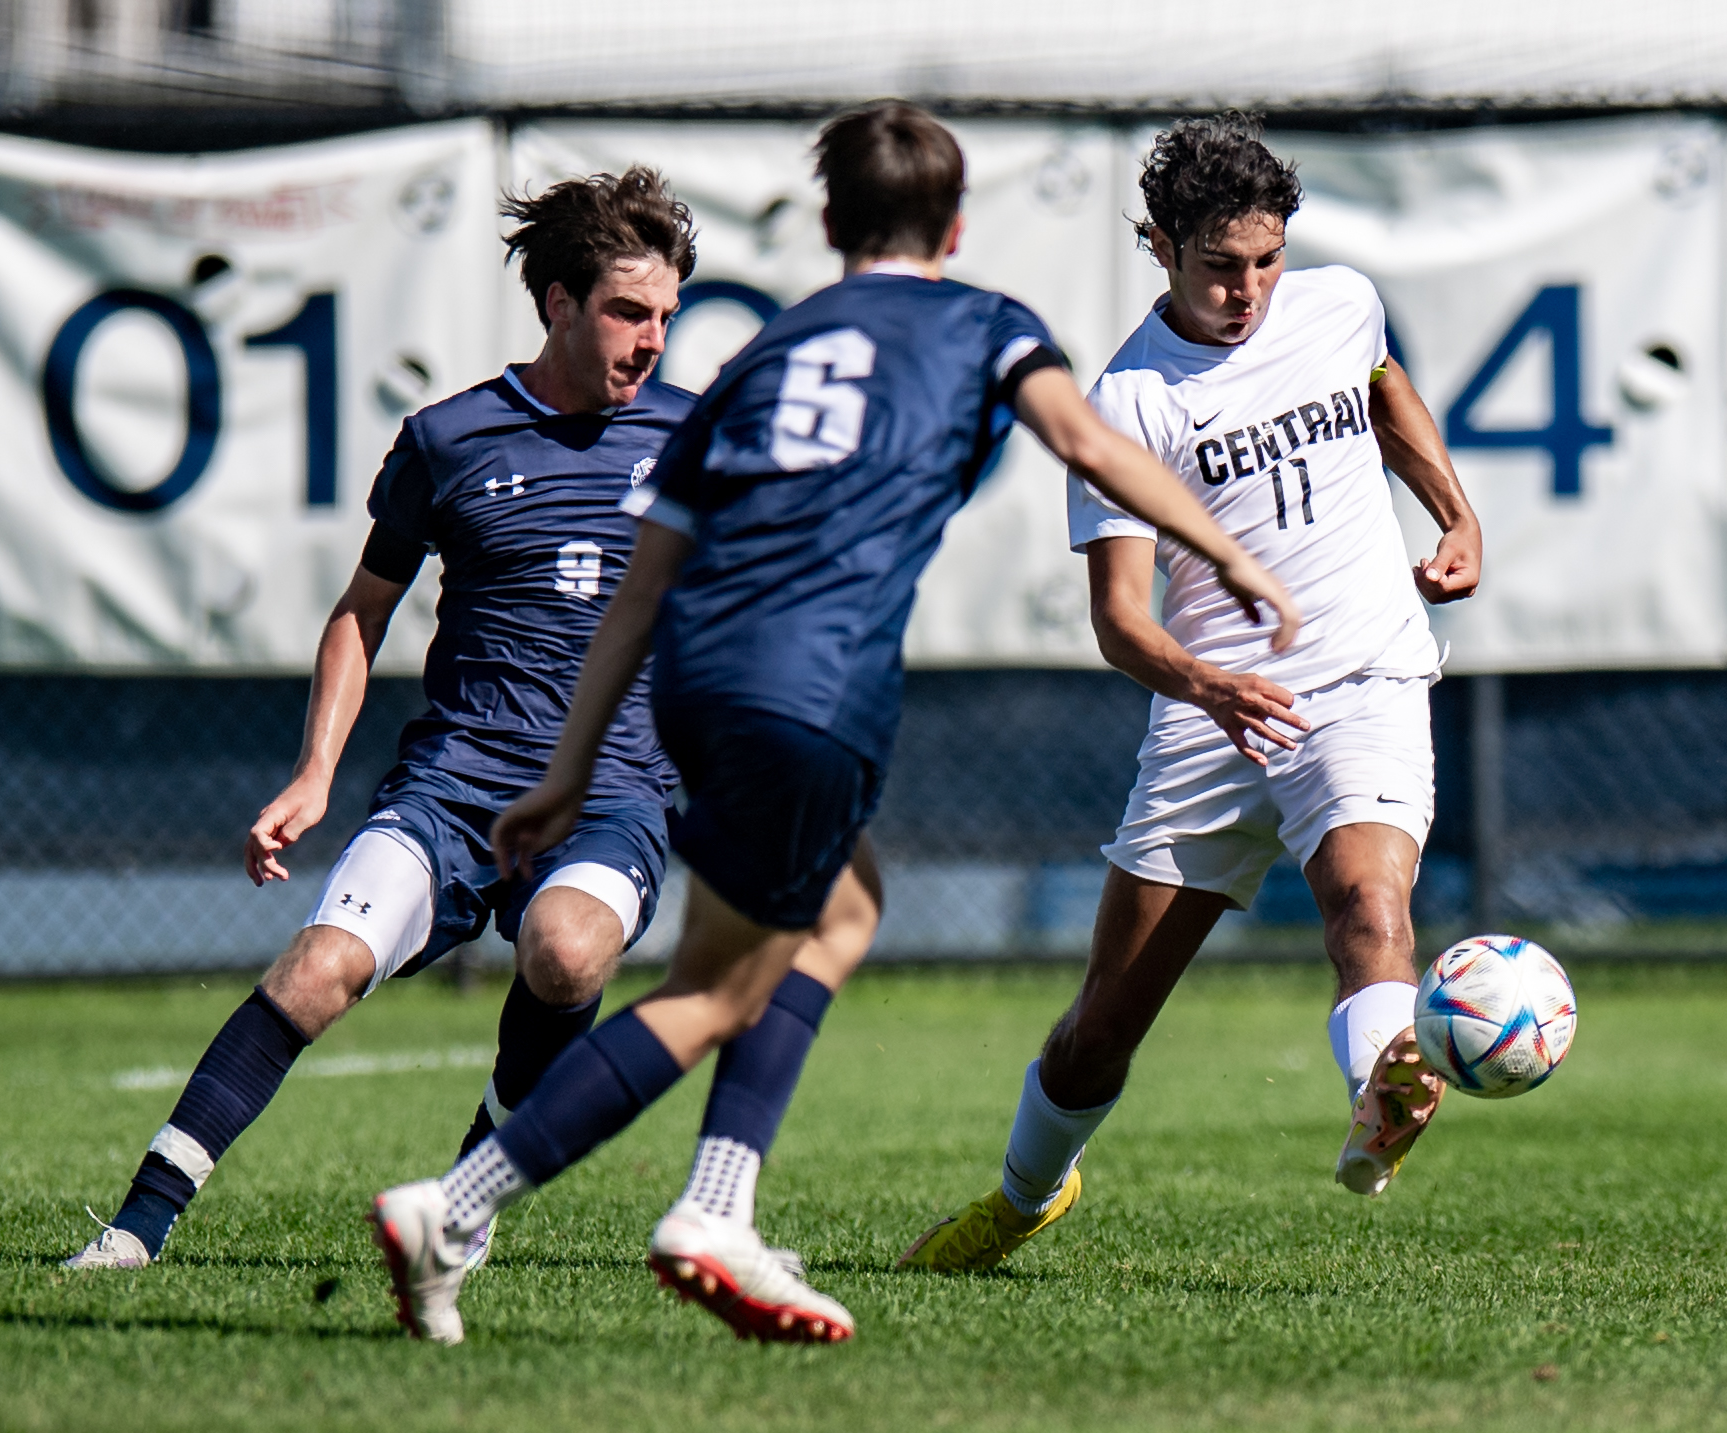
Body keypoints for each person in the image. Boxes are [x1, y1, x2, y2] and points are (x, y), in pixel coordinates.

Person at [367, 100, 1299, 1348]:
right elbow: (1083, 438)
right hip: (811, 687)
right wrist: (1221, 548)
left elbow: (645, 584)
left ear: (827, 223)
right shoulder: (982, 324)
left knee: (840, 909)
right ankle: (476, 1205)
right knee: (712, 988)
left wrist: (567, 770)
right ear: (954, 228)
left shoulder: (762, 354)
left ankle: (700, 1202)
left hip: (697, 684)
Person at [66, 169, 877, 1289]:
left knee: (567, 952)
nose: (652, 339)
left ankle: (464, 1197)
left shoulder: (699, 439)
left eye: (666, 316)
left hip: (612, 796)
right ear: (557, 301)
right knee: (317, 969)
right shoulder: (449, 438)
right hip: (452, 789)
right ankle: (134, 1228)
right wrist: (314, 771)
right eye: (627, 312)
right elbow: (361, 612)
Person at [898, 112, 1485, 1275]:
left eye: (1266, 260)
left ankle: (1381, 1088)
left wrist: (1453, 511)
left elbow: (1382, 389)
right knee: (1100, 1027)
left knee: (1368, 909)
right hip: (1212, 719)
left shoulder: (1339, 304)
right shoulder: (1127, 401)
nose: (1247, 290)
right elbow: (1120, 621)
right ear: (1159, 245)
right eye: (1219, 265)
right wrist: (1208, 683)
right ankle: (1019, 1198)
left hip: (1361, 676)